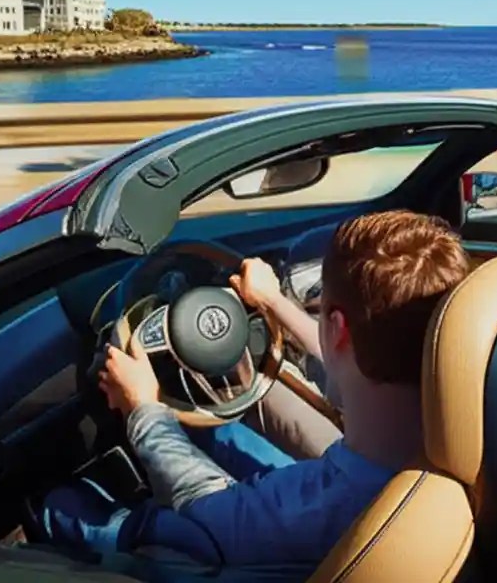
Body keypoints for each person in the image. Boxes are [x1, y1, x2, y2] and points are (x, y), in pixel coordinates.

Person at [41, 210, 472, 568]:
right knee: (219, 430)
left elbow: (203, 503)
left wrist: (142, 408)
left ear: (337, 327)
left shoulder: (313, 509)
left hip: (234, 546)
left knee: (66, 506)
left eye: (322, 305)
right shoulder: (462, 409)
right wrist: (271, 302)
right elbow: (351, 357)